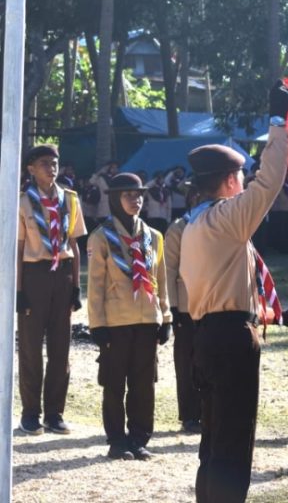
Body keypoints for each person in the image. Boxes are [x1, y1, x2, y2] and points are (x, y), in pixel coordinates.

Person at [180, 81, 288, 503]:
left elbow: (226, 286)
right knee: (234, 444)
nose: (244, 180)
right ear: (227, 181)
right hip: (230, 339)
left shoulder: (193, 225)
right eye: (239, 174)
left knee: (215, 440)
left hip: (209, 334)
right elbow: (270, 182)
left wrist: (274, 314)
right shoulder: (225, 219)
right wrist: (278, 122)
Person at [87, 173, 172, 460]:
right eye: (128, 195)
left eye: (139, 195)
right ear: (114, 198)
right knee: (113, 384)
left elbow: (160, 279)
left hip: (148, 320)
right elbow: (95, 287)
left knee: (144, 383)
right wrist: (97, 325)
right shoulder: (101, 238)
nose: (135, 200)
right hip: (115, 323)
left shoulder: (154, 236)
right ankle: (117, 441)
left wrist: (166, 317)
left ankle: (139, 438)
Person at [16, 145, 87, 436]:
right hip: (34, 274)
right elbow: (18, 248)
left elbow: (74, 244)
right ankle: (30, 413)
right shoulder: (23, 202)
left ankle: (55, 413)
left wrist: (75, 285)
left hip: (62, 275)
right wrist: (18, 290)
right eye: (45, 163)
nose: (52, 168)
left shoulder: (69, 199)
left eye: (55, 163)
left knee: (61, 346)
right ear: (31, 169)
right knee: (31, 347)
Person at [164, 192, 202, 434]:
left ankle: (209, 410)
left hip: (213, 304)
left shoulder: (218, 223)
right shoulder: (179, 227)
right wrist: (173, 308)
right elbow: (168, 268)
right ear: (192, 198)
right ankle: (189, 414)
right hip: (186, 306)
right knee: (187, 362)